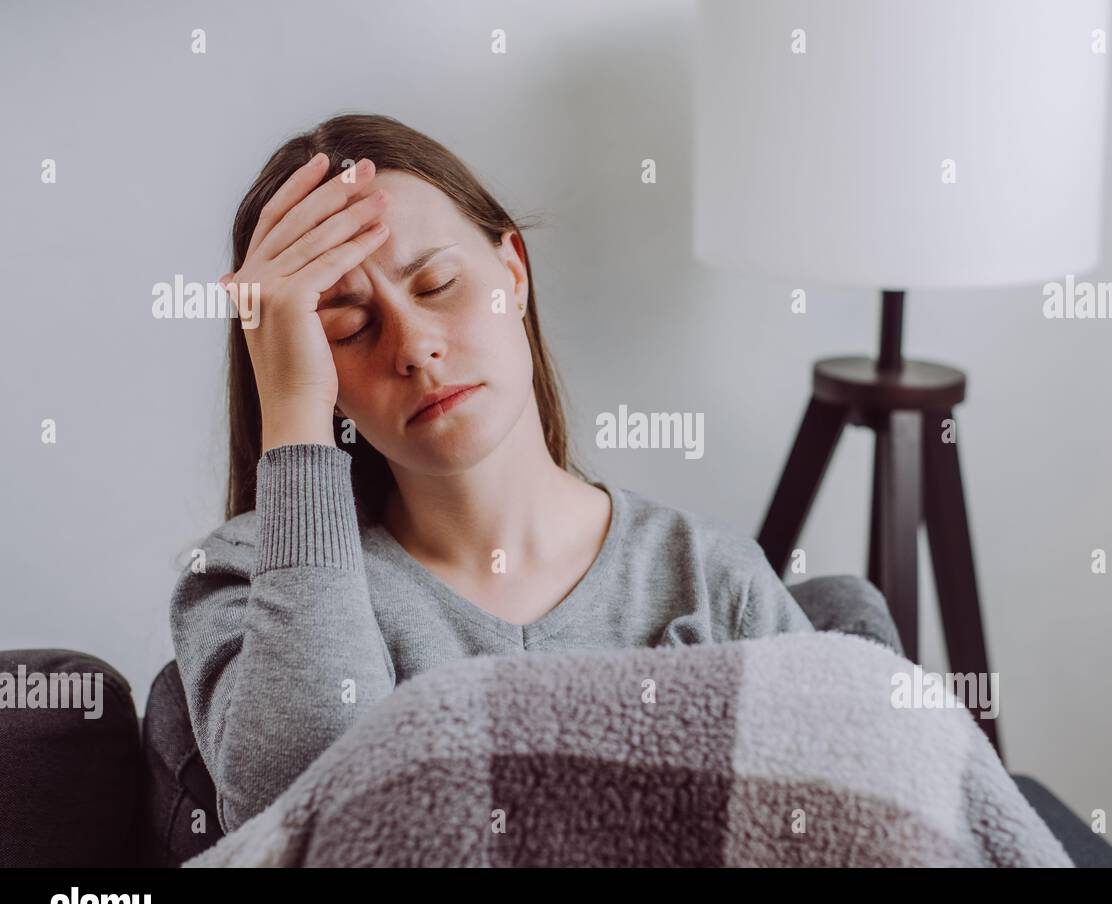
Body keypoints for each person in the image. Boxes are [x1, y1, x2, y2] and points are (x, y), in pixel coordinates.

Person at [169, 113, 814, 835]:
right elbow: (300, 831)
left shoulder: (710, 579)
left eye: (439, 283)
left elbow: (836, 819)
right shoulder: (247, 579)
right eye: (347, 327)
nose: (415, 347)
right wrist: (291, 410)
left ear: (513, 273)